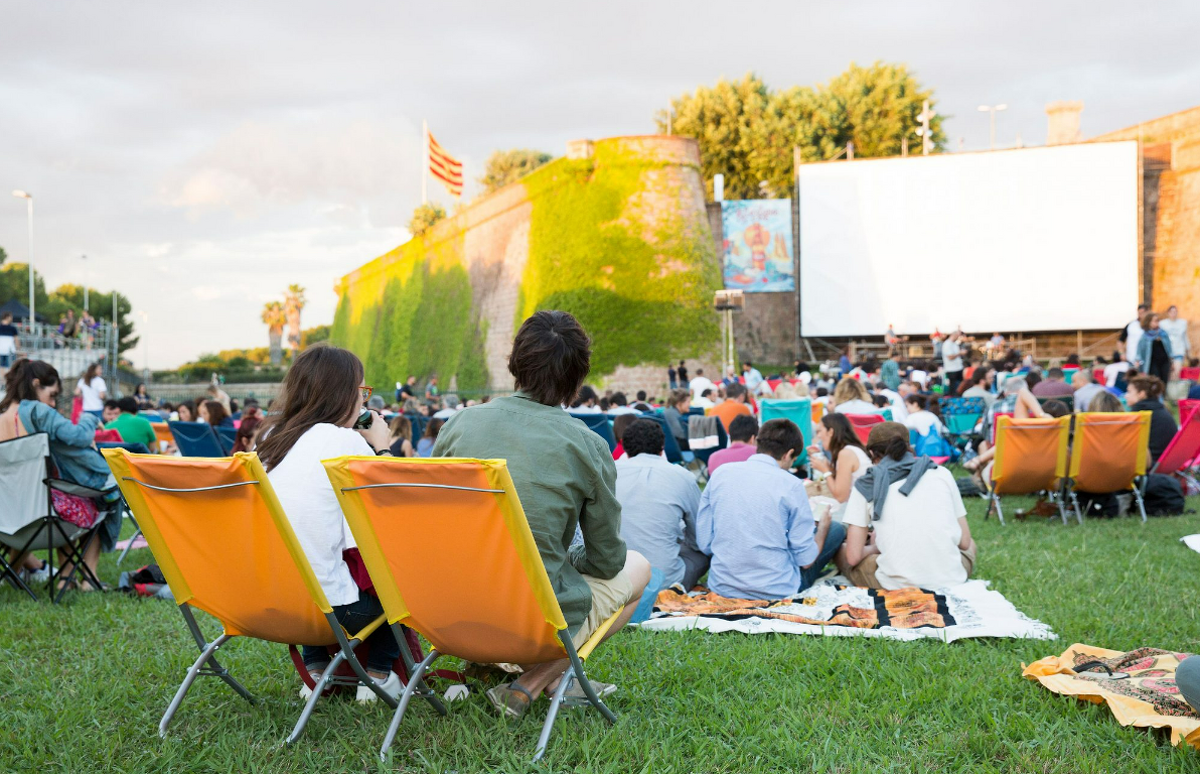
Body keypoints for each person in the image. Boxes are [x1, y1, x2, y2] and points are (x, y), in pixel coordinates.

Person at [432, 310, 650, 717]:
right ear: (579, 376)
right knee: (638, 567)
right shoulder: (586, 444)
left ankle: (541, 678)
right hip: (527, 621)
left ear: (516, 361)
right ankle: (543, 679)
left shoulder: (458, 426)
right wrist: (567, 558)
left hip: (447, 612)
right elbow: (607, 561)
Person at [255, 345, 400, 701]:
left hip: (267, 600)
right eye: (361, 393)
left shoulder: (271, 440)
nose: (364, 404)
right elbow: (391, 519)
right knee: (401, 579)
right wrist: (381, 448)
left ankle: (317, 669)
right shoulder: (345, 442)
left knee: (307, 553)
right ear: (342, 395)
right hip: (331, 613)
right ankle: (379, 676)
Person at [0, 359, 123, 589]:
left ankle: (16, 574)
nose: (54, 403)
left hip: (7, 520)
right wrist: (90, 417)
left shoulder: (2, 413)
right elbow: (78, 437)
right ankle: (87, 579)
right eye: (52, 394)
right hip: (43, 517)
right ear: (36, 384)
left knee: (63, 500)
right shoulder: (37, 410)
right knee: (96, 502)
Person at [697, 418, 844, 598]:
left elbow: (704, 543)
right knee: (836, 529)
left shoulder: (721, 474)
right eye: (793, 459)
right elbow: (805, 560)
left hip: (723, 585)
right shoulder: (791, 484)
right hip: (775, 590)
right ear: (788, 454)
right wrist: (822, 528)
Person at [836, 422, 976, 590]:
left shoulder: (866, 484)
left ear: (872, 453)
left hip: (896, 585)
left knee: (842, 550)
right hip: (951, 579)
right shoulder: (941, 473)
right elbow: (965, 542)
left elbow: (853, 557)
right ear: (909, 447)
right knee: (971, 544)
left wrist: (875, 547)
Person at [615, 419, 706, 590]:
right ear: (662, 447)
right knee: (701, 554)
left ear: (624, 448)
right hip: (665, 582)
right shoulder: (682, 475)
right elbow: (700, 538)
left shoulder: (608, 472)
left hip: (613, 581)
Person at [807, 414, 871, 520]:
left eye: (820, 431)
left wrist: (825, 471)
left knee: (812, 504)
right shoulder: (850, 450)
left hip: (859, 511)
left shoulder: (846, 453)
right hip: (858, 507)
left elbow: (841, 497)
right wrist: (828, 468)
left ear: (831, 432)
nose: (818, 436)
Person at [1125, 375, 1177, 464]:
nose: (1126, 396)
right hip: (1167, 462)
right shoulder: (1162, 410)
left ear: (1141, 394)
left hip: (1148, 464)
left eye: (1129, 392)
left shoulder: (1140, 413)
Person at [1135, 312, 1174, 385]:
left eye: (1158, 320)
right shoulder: (1144, 336)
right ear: (1149, 322)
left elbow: (1169, 348)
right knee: (1155, 381)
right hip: (1152, 363)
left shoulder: (1163, 333)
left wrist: (1172, 360)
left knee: (1164, 382)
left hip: (1164, 362)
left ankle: (1163, 395)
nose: (1157, 323)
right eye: (1155, 321)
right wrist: (1138, 361)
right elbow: (1139, 350)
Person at [1160, 305, 1190, 374]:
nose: (1173, 314)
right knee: (1168, 373)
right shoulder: (1162, 324)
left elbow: (1184, 337)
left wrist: (1188, 350)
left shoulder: (1182, 323)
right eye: (1172, 312)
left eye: (1175, 312)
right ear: (1168, 313)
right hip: (1166, 352)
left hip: (1178, 351)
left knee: (1177, 372)